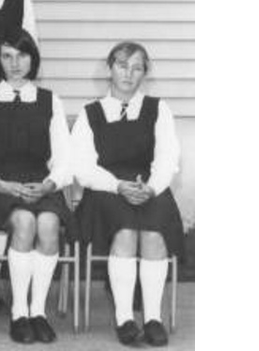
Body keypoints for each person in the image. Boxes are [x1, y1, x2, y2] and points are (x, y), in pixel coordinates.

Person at [0, 29, 72, 345]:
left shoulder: (50, 100)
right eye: (7, 56)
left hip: (40, 183)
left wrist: (49, 183)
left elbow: (65, 160)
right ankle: (19, 312)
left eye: (22, 55)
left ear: (33, 59)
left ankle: (38, 311)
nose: (15, 63)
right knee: (24, 222)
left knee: (49, 223)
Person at [74, 42, 182, 347]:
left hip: (149, 187)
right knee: (124, 233)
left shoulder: (157, 109)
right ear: (110, 68)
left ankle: (152, 318)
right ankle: (124, 318)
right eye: (122, 65)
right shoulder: (90, 113)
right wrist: (117, 185)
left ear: (144, 73)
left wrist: (152, 187)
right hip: (106, 189)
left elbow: (167, 157)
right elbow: (82, 166)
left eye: (137, 68)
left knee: (153, 235)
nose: (128, 73)